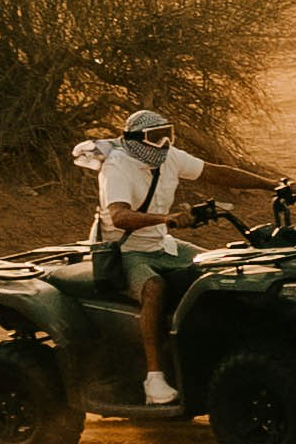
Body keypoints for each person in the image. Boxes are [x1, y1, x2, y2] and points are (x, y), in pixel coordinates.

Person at [73, 107, 260, 405]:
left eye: (167, 135)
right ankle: (154, 378)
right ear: (135, 140)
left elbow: (214, 172)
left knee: (218, 268)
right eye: (155, 138)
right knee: (154, 288)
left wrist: (271, 184)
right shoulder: (117, 168)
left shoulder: (169, 157)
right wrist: (167, 219)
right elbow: (119, 216)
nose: (164, 144)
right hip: (126, 252)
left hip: (163, 245)